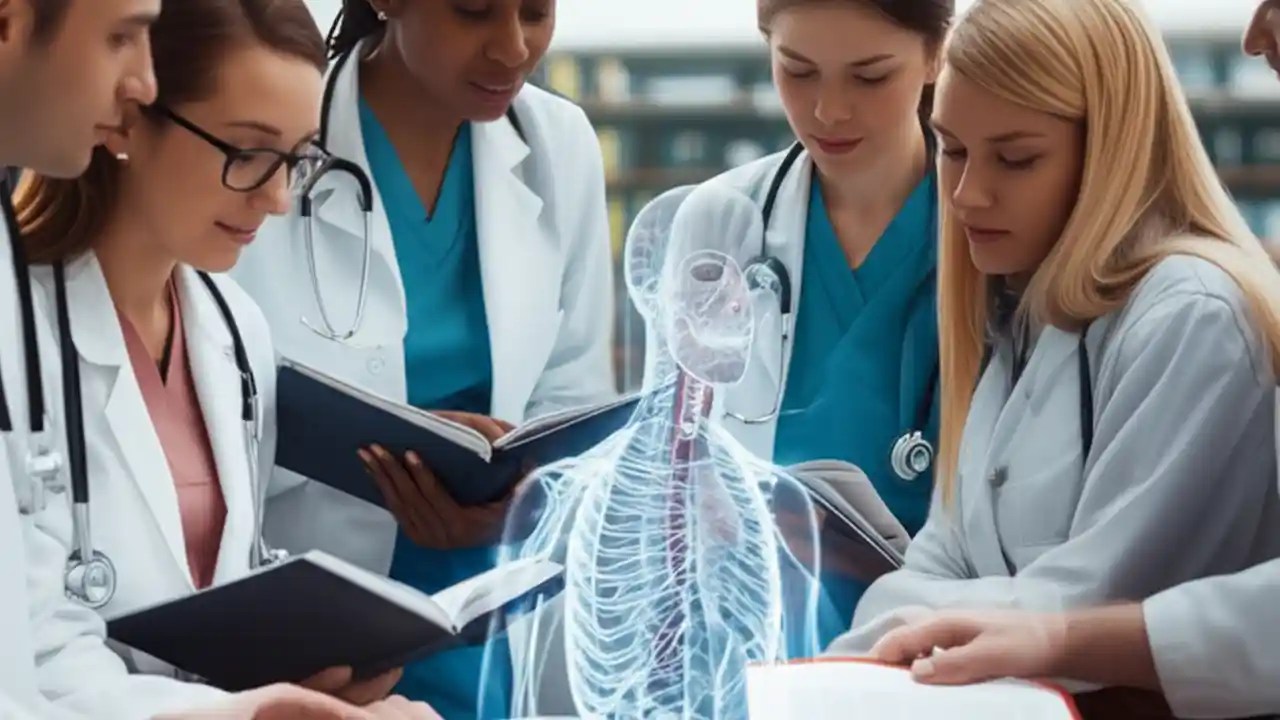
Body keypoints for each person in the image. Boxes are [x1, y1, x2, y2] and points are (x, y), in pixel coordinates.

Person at [0, 1, 435, 718]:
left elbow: (224, 587)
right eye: (247, 153)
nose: (277, 198)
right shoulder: (21, 329)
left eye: (297, 158)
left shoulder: (235, 329)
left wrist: (295, 685)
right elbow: (37, 658)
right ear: (131, 115)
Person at [825, 0, 1280, 682]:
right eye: (951, 150)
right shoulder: (1020, 310)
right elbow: (933, 565)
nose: (966, 195)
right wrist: (915, 613)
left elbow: (1094, 608)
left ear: (1111, 155)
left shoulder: (1194, 315)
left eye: (1016, 159)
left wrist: (918, 616)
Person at [230, 0, 616, 716]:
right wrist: (393, 458)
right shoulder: (270, 140)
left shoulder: (558, 145)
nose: (513, 48)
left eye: (536, 11)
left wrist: (523, 499)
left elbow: (574, 388)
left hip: (490, 607)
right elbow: (204, 415)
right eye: (473, 12)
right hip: (316, 616)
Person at [645, 0, 950, 649]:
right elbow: (665, 462)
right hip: (751, 637)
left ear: (935, 56)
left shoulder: (984, 227)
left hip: (936, 639)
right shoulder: (719, 223)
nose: (828, 111)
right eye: (798, 71)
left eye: (870, 77)